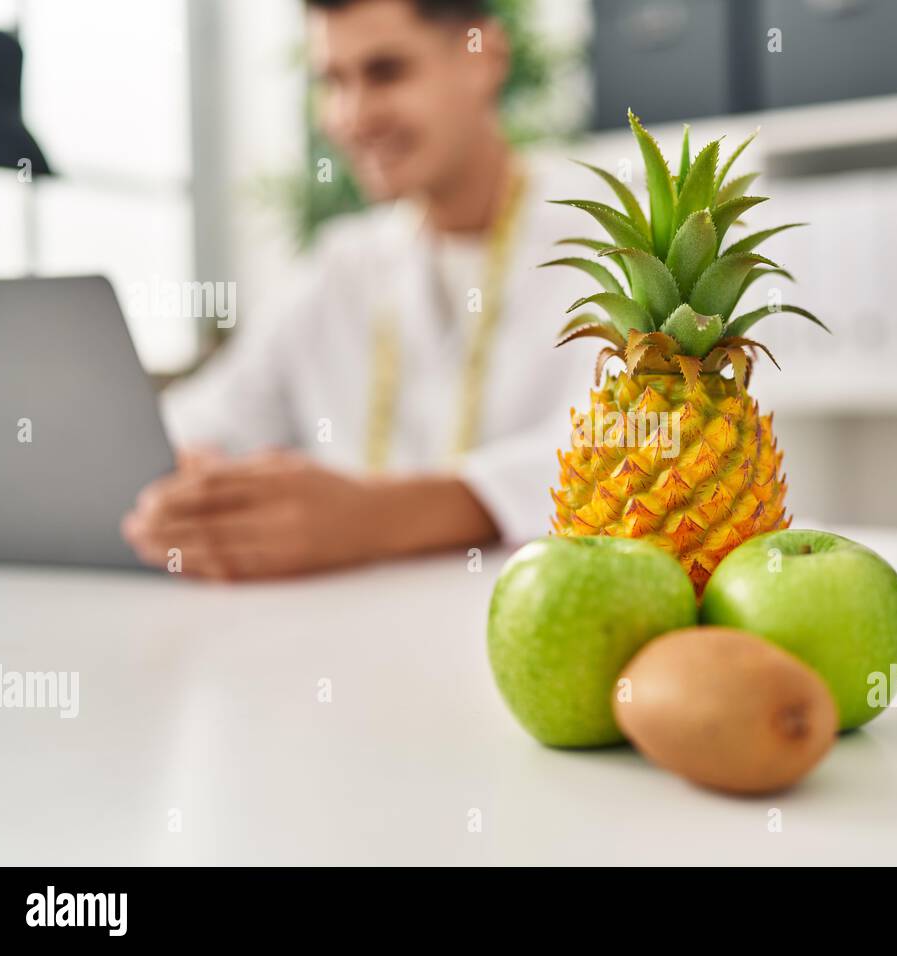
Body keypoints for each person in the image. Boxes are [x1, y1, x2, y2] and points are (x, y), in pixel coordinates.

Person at [122, 0, 589, 580]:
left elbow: (646, 453)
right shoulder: (343, 264)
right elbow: (208, 417)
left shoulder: (616, 245)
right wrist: (186, 469)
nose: (351, 116)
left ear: (483, 58)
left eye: (386, 72)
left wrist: (377, 518)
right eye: (333, 81)